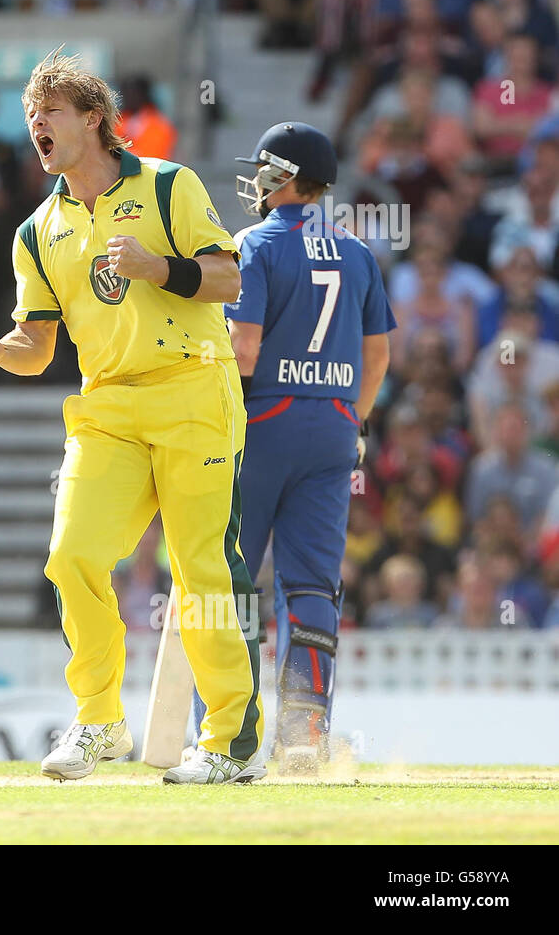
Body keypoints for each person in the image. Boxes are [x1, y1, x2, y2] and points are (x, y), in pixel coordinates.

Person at [0, 49, 263, 785]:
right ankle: (98, 721)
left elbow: (228, 277)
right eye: (31, 115)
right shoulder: (36, 231)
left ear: (94, 119)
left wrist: (159, 268)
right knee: (72, 557)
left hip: (193, 387)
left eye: (51, 111)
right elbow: (37, 347)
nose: (37, 123)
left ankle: (231, 743)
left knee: (200, 570)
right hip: (108, 406)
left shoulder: (167, 185)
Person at [224, 121, 395, 775]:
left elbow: (244, 347)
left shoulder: (256, 244)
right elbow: (377, 355)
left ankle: (231, 733)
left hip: (261, 421)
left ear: (287, 175)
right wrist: (355, 420)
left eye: (266, 168)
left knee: (232, 578)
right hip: (331, 428)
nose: (258, 180)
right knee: (312, 585)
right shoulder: (357, 253)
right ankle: (305, 731)